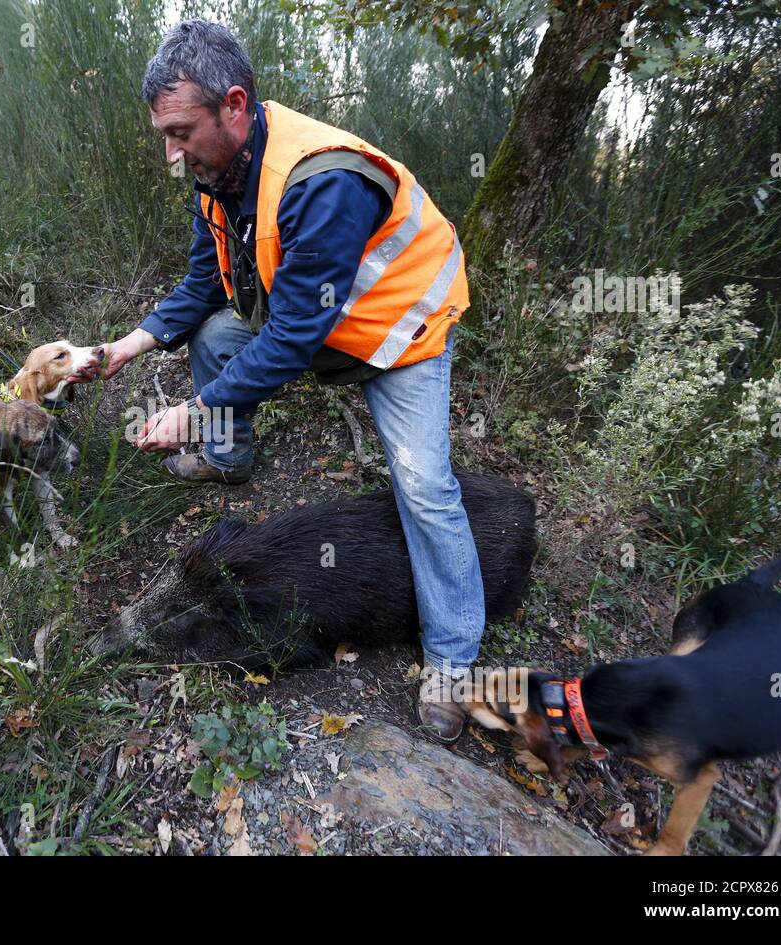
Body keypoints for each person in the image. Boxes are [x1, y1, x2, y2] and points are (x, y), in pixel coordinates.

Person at [100, 20, 485, 742]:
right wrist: (131, 343)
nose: (170, 153)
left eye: (181, 132)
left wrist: (194, 407)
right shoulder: (217, 174)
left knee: (426, 489)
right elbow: (203, 283)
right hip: (317, 316)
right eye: (164, 134)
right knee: (218, 333)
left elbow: (291, 339)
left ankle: (454, 663)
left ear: (235, 106)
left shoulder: (323, 181)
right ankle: (227, 455)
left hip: (400, 330)